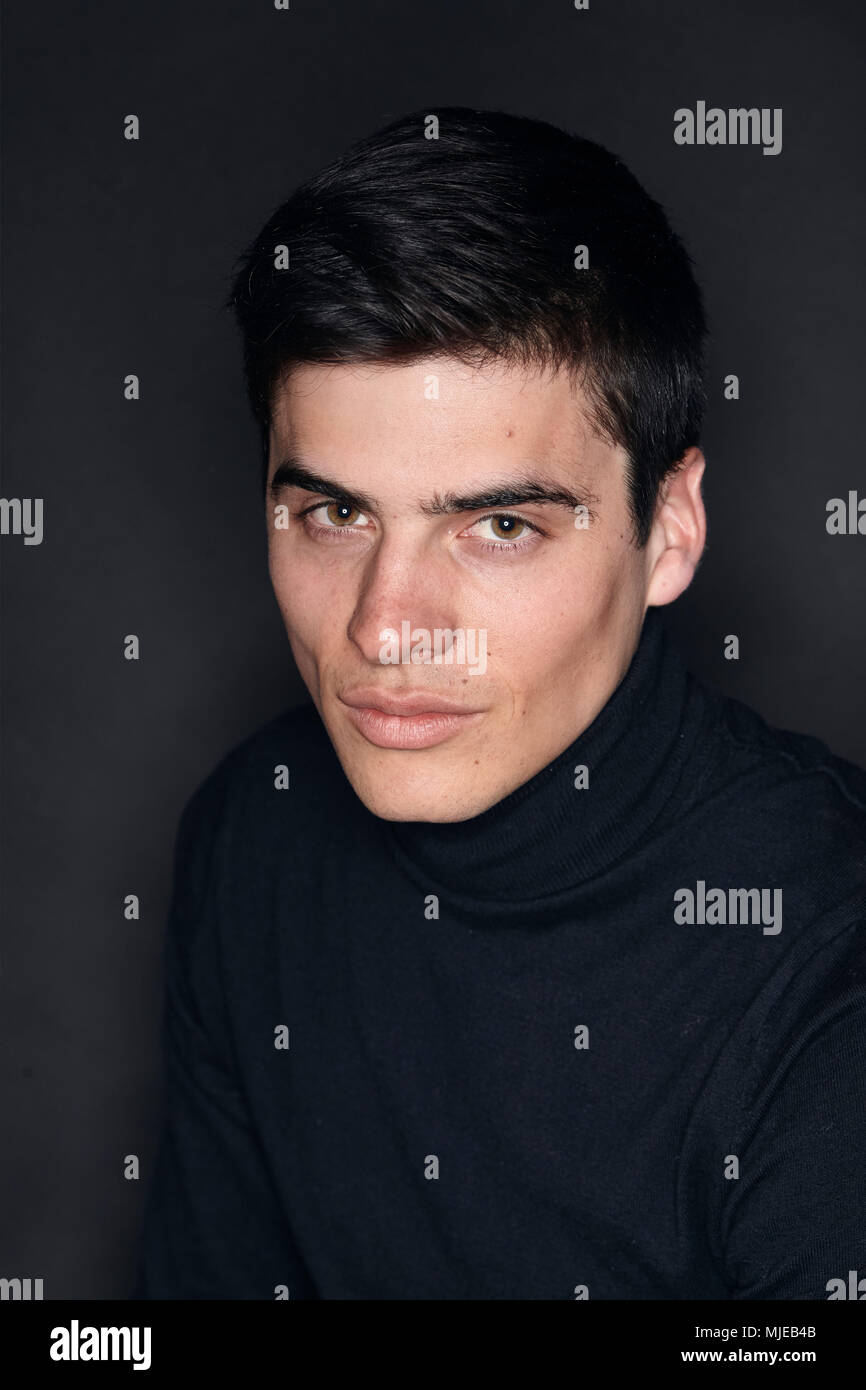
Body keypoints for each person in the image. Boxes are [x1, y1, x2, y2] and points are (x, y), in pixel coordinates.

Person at [132, 107, 866, 1299]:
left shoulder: (828, 973)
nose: (383, 627)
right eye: (335, 514)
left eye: (499, 526)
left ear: (668, 527)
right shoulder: (248, 836)